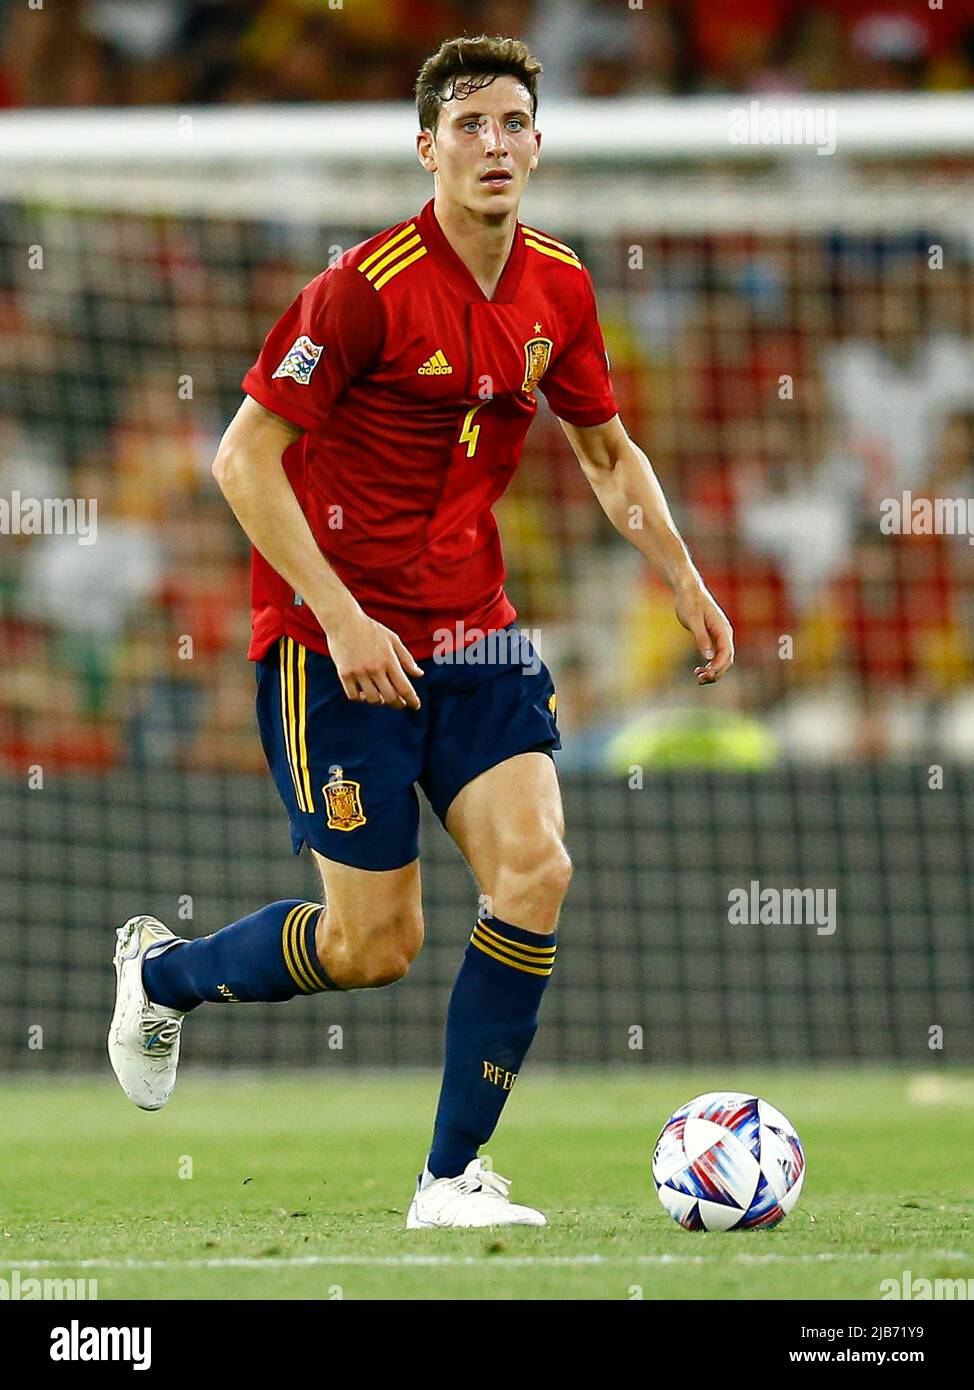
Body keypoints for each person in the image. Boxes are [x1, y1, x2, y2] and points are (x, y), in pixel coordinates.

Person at [108, 34, 734, 1229]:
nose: (493, 145)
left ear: (538, 144)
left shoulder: (561, 285)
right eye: (468, 125)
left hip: (476, 629)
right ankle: (162, 976)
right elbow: (240, 461)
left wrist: (682, 577)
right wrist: (339, 616)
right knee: (371, 946)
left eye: (512, 124)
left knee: (536, 868)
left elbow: (604, 451)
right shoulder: (363, 287)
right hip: (329, 638)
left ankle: (449, 1178)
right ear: (427, 148)